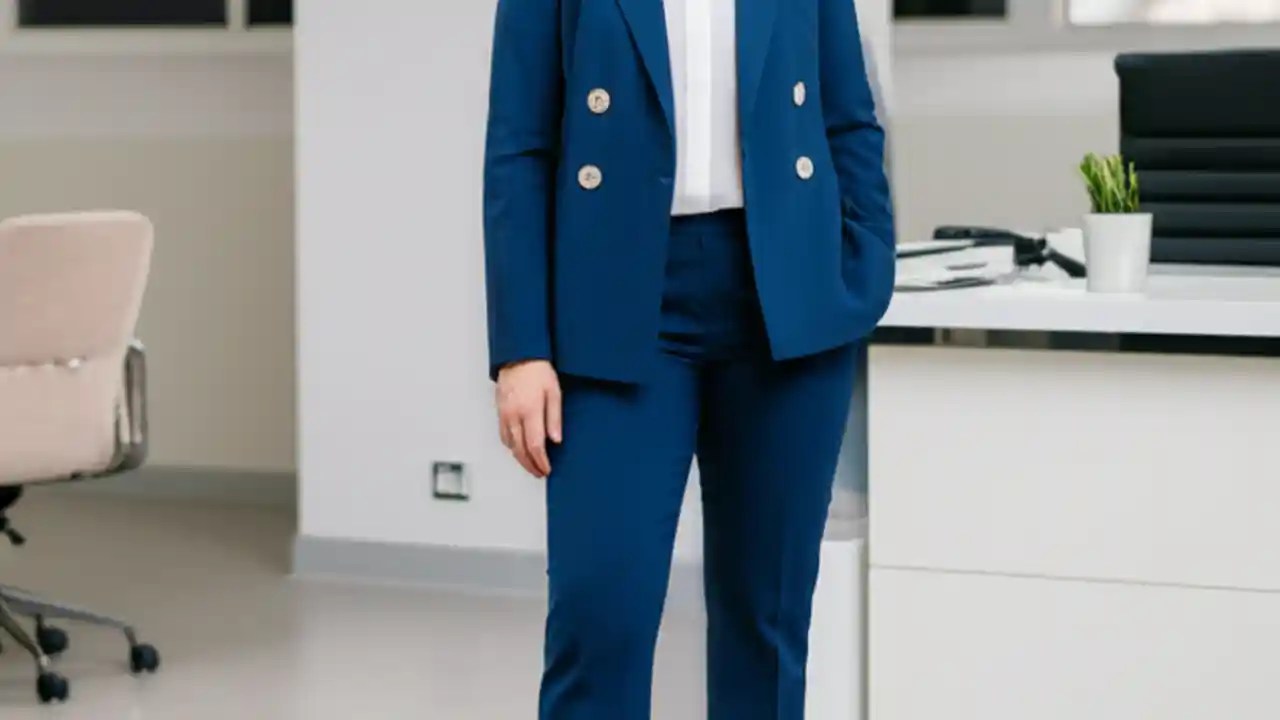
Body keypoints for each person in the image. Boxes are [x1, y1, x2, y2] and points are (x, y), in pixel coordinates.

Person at [483, 0, 894, 716]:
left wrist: (862, 265)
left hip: (786, 297)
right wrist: (522, 347)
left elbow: (848, 114)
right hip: (612, 298)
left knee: (766, 628)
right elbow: (519, 144)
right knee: (598, 618)